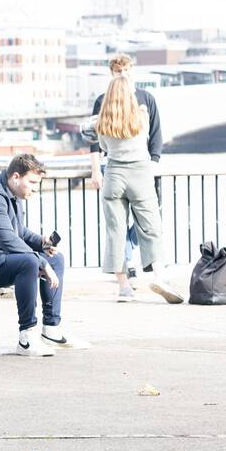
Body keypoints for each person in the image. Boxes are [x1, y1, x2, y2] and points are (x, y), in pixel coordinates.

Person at [0, 154, 88, 357]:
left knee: (55, 258)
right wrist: (41, 262)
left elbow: (18, 232)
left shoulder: (11, 193)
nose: (35, 188)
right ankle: (26, 338)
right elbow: (8, 240)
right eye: (31, 182)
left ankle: (51, 330)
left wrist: (42, 242)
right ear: (16, 176)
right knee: (29, 261)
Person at [83, 72, 183, 304]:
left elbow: (104, 147)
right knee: (151, 228)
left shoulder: (103, 122)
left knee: (115, 232)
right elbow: (150, 139)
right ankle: (159, 276)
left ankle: (124, 287)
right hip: (140, 173)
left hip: (114, 175)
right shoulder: (141, 116)